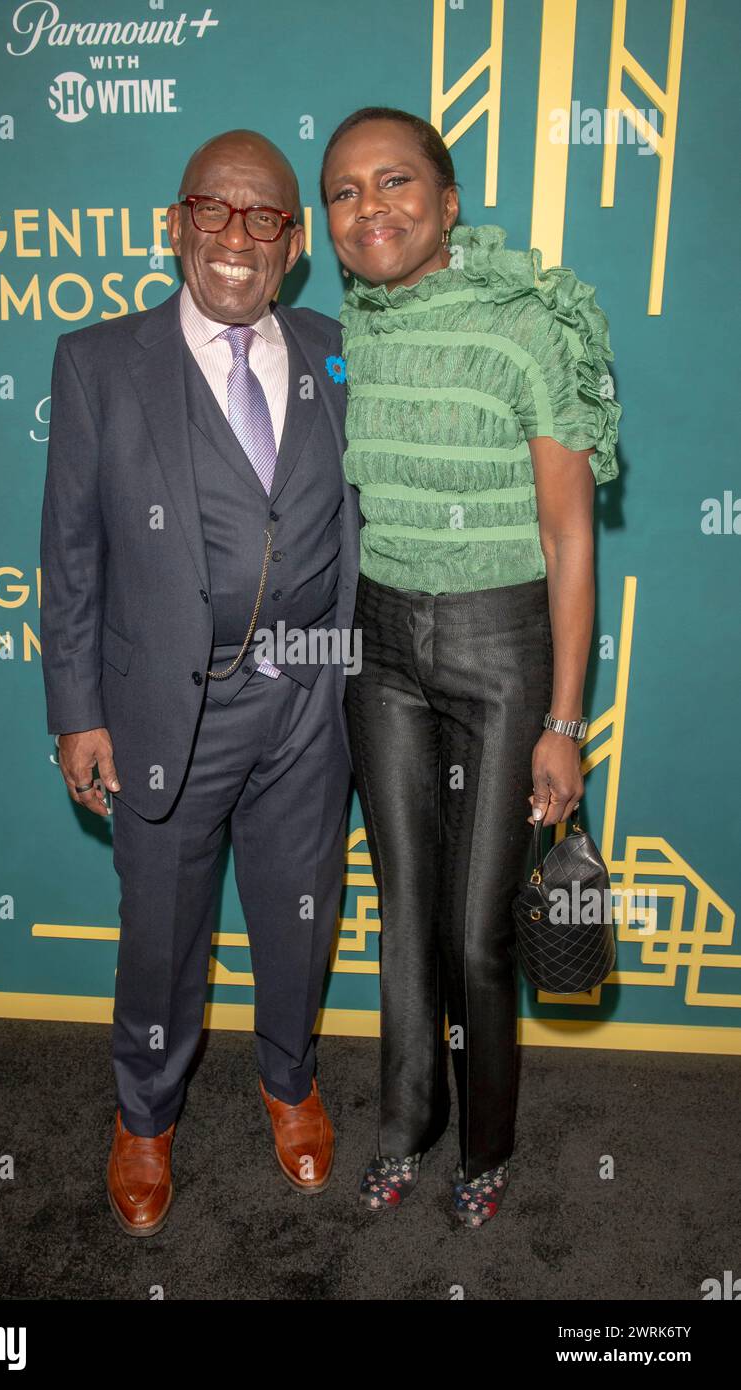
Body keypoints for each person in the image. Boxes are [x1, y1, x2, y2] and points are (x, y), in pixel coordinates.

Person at [40, 129, 361, 1236]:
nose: (236, 236)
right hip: (160, 710)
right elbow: (71, 554)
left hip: (310, 705)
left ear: (295, 241)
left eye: (263, 216)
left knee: (296, 919)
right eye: (212, 212)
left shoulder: (336, 351)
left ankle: (289, 1081)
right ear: (176, 224)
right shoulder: (97, 362)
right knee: (160, 931)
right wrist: (76, 709)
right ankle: (144, 1117)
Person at [320, 107, 621, 1226]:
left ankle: (483, 1142)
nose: (369, 210)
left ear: (448, 202)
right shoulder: (357, 329)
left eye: (395, 182)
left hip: (502, 649)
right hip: (381, 644)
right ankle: (407, 1122)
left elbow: (568, 538)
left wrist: (562, 719)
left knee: (473, 928)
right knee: (404, 912)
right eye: (343, 192)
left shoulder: (530, 328)